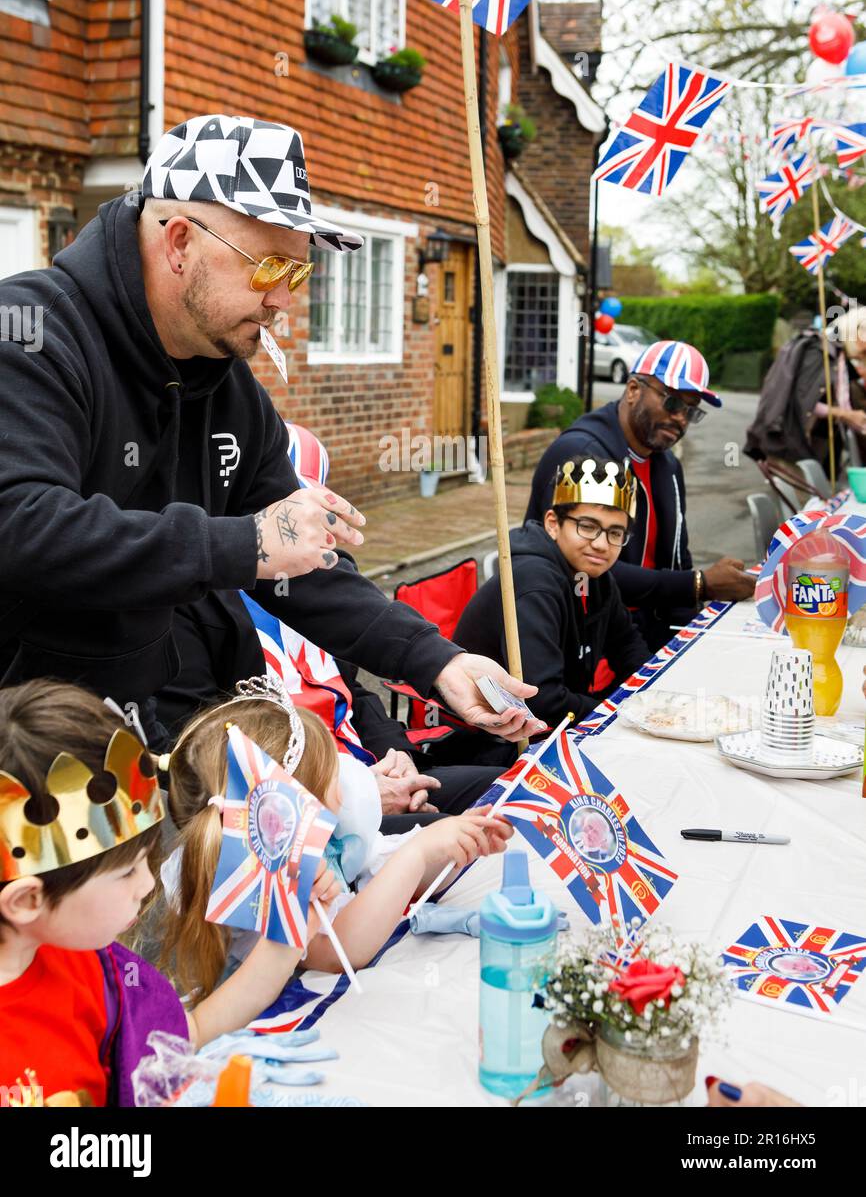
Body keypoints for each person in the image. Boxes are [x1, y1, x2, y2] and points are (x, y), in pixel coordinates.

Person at [0, 113, 543, 750]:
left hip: (142, 740)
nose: (283, 300)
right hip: (25, 744)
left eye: (298, 274)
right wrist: (243, 543)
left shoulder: (225, 383)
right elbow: (21, 524)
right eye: (271, 269)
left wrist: (436, 662)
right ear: (179, 242)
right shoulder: (29, 332)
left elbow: (302, 565)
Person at [0, 679, 339, 1106]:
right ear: (26, 901)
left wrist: (288, 932)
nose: (147, 886)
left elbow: (186, 1033)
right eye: (126, 873)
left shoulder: (95, 967)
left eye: (148, 860)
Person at [155, 423, 507, 827]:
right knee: (472, 835)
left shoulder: (329, 585)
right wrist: (353, 793)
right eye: (293, 518)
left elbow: (353, 691)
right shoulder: (194, 601)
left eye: (319, 517)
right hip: (298, 811)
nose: (312, 533)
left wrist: (401, 761)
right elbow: (206, 751)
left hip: (370, 770)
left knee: (516, 794)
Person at [159, 688, 513, 999]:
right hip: (282, 1023)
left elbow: (382, 867)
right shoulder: (254, 867)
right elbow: (335, 951)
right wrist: (417, 854)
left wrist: (450, 845)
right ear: (291, 799)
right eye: (332, 773)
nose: (346, 780)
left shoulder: (319, 838)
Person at [526, 341, 755, 650]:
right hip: (585, 637)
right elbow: (586, 568)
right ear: (633, 389)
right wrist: (698, 585)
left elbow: (678, 558)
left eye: (691, 411)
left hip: (644, 630)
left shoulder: (667, 464)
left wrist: (693, 635)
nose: (681, 419)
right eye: (673, 403)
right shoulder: (584, 455)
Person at [455, 457, 650, 729]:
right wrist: (623, 717)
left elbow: (628, 646)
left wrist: (651, 701)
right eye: (588, 527)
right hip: (495, 741)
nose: (602, 544)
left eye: (615, 532)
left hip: (559, 722)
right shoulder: (534, 583)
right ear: (552, 524)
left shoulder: (594, 575)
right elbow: (543, 701)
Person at [745, 310, 866, 475]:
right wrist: (847, 415)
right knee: (805, 500)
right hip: (791, 449)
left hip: (813, 449)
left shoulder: (838, 355)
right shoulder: (818, 351)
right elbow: (803, 402)